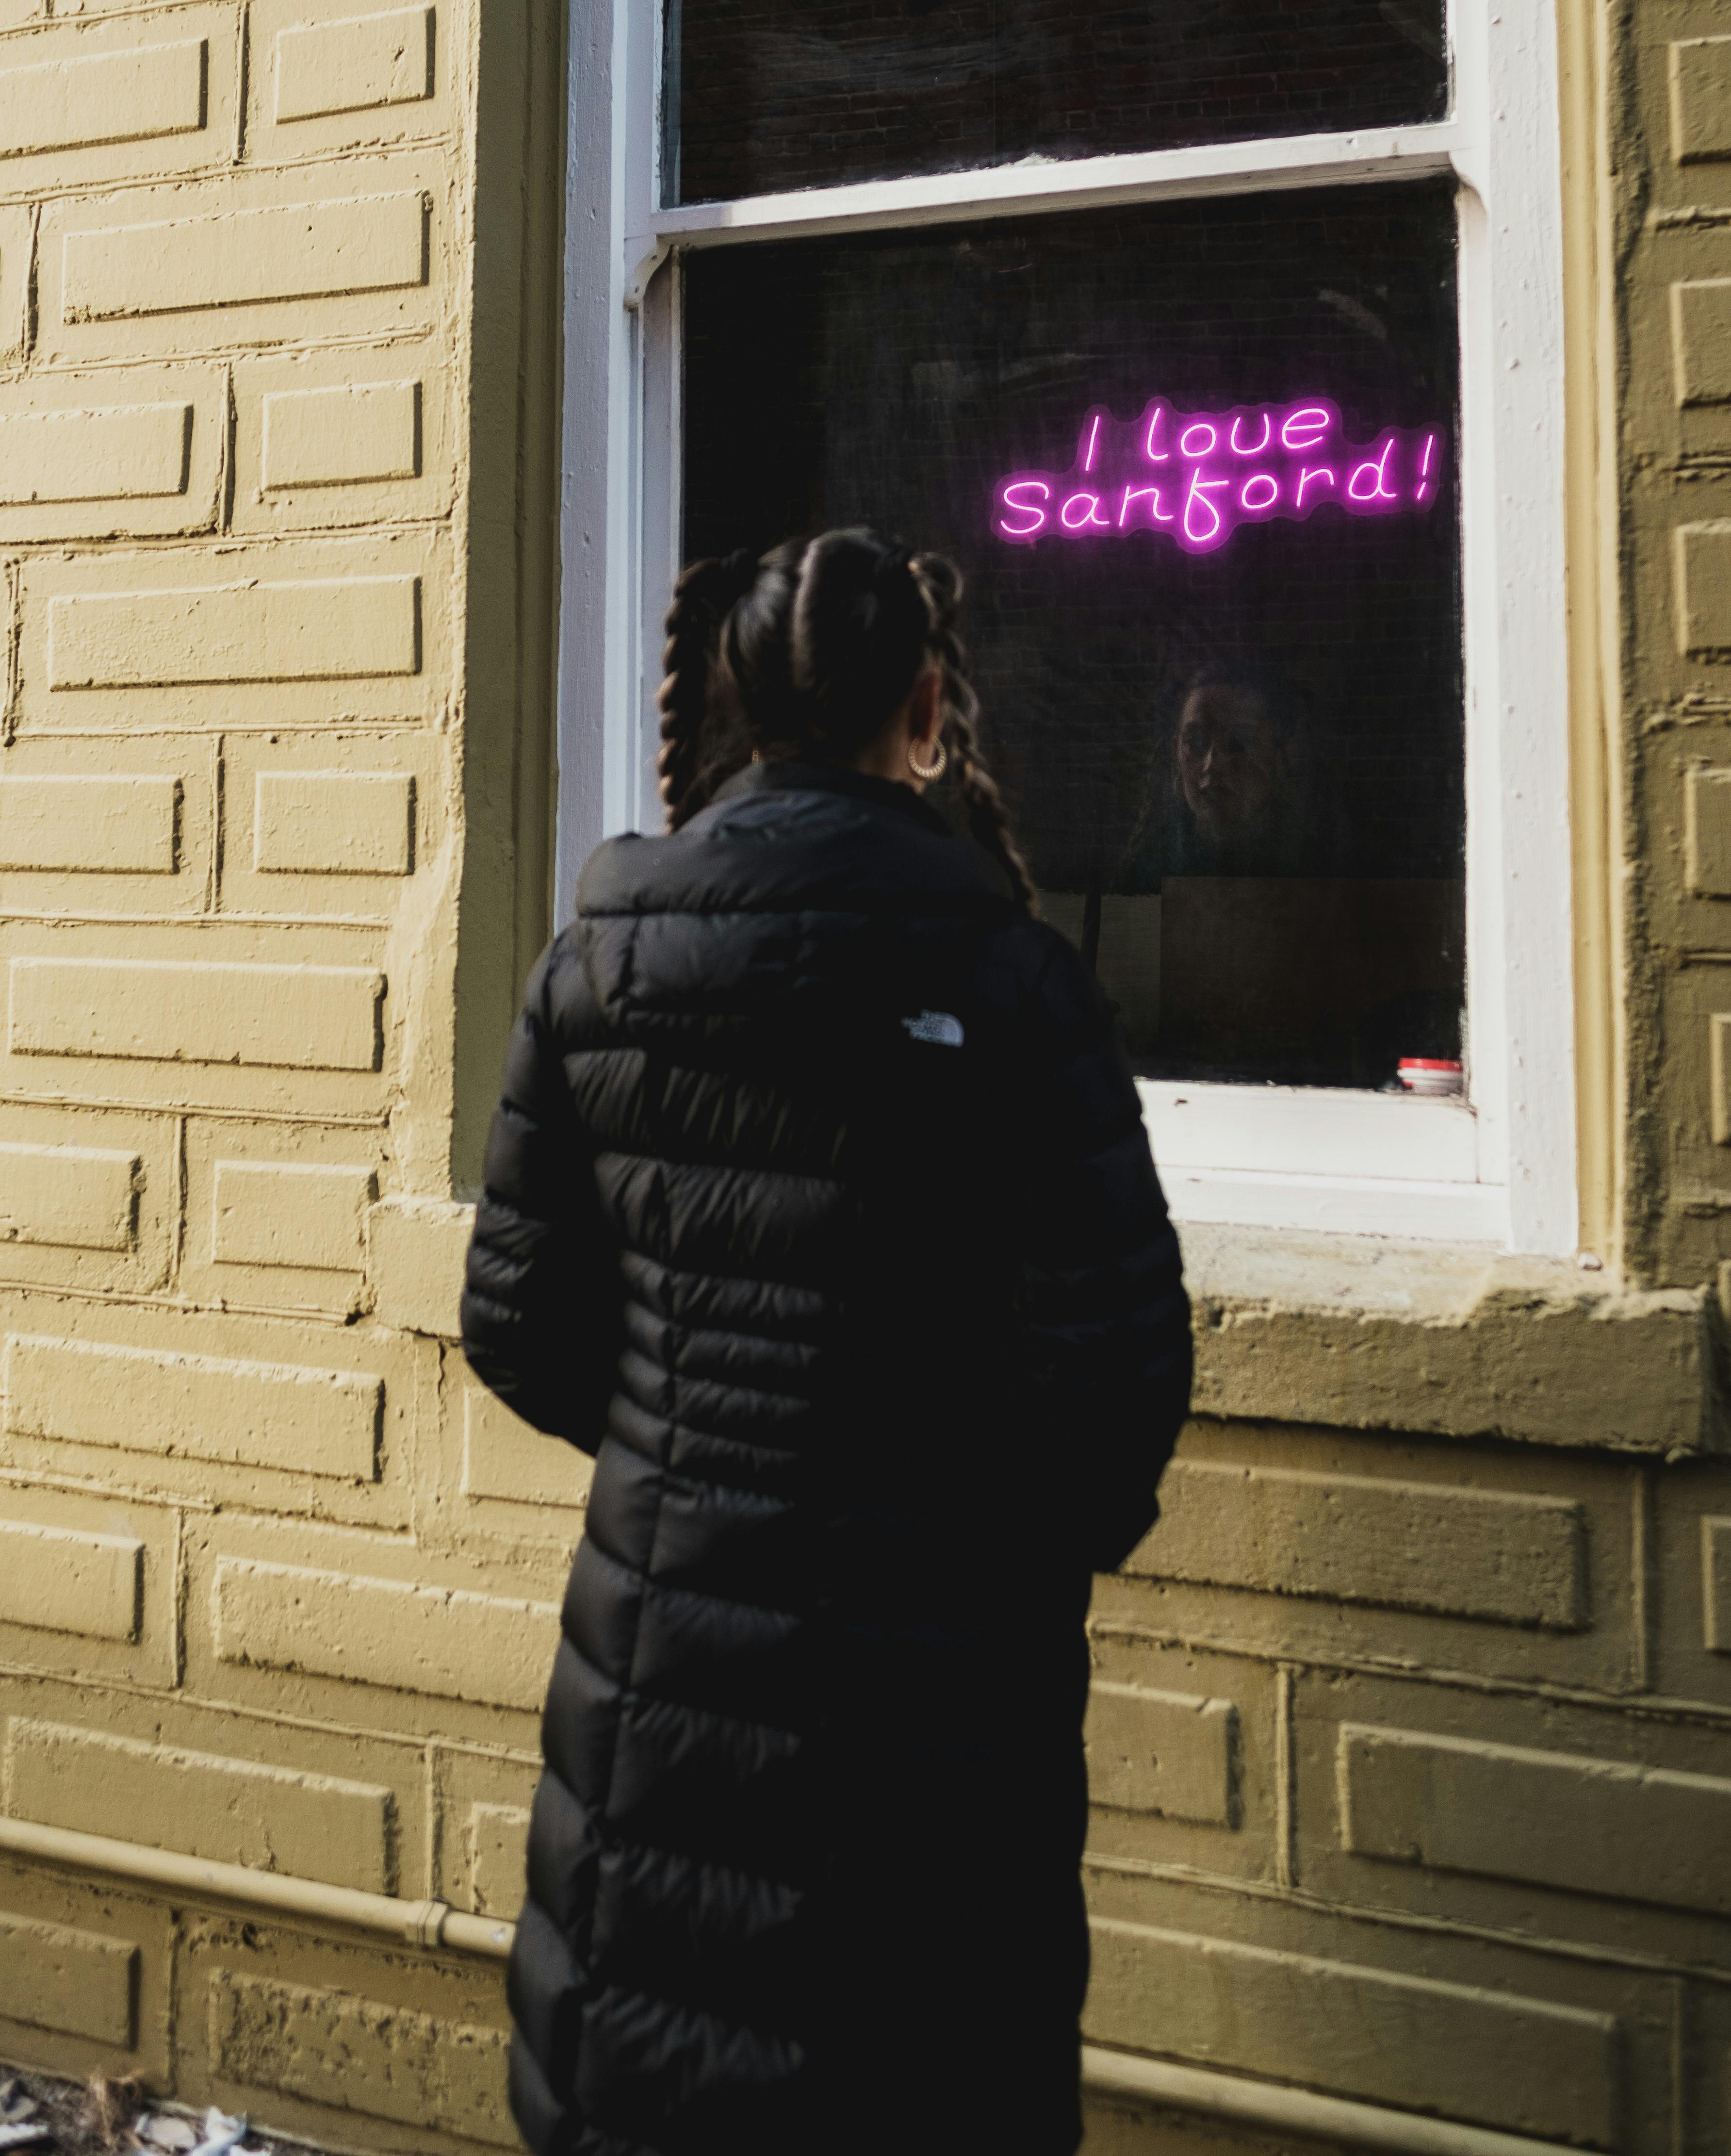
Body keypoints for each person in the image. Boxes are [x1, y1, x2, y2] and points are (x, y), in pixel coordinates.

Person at [461, 529, 1193, 2156]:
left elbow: (518, 1318)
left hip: (663, 1666)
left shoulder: (598, 971)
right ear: (926, 708)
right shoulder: (1018, 985)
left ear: (734, 700)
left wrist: (687, 1446)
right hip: (946, 1696)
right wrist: (975, 1542)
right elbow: (1122, 1383)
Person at [1120, 658, 1347, 890]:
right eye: (1195, 742)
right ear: (1175, 754)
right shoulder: (1150, 865)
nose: (1212, 765)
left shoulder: (1319, 864)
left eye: (1238, 743)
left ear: (1280, 757)